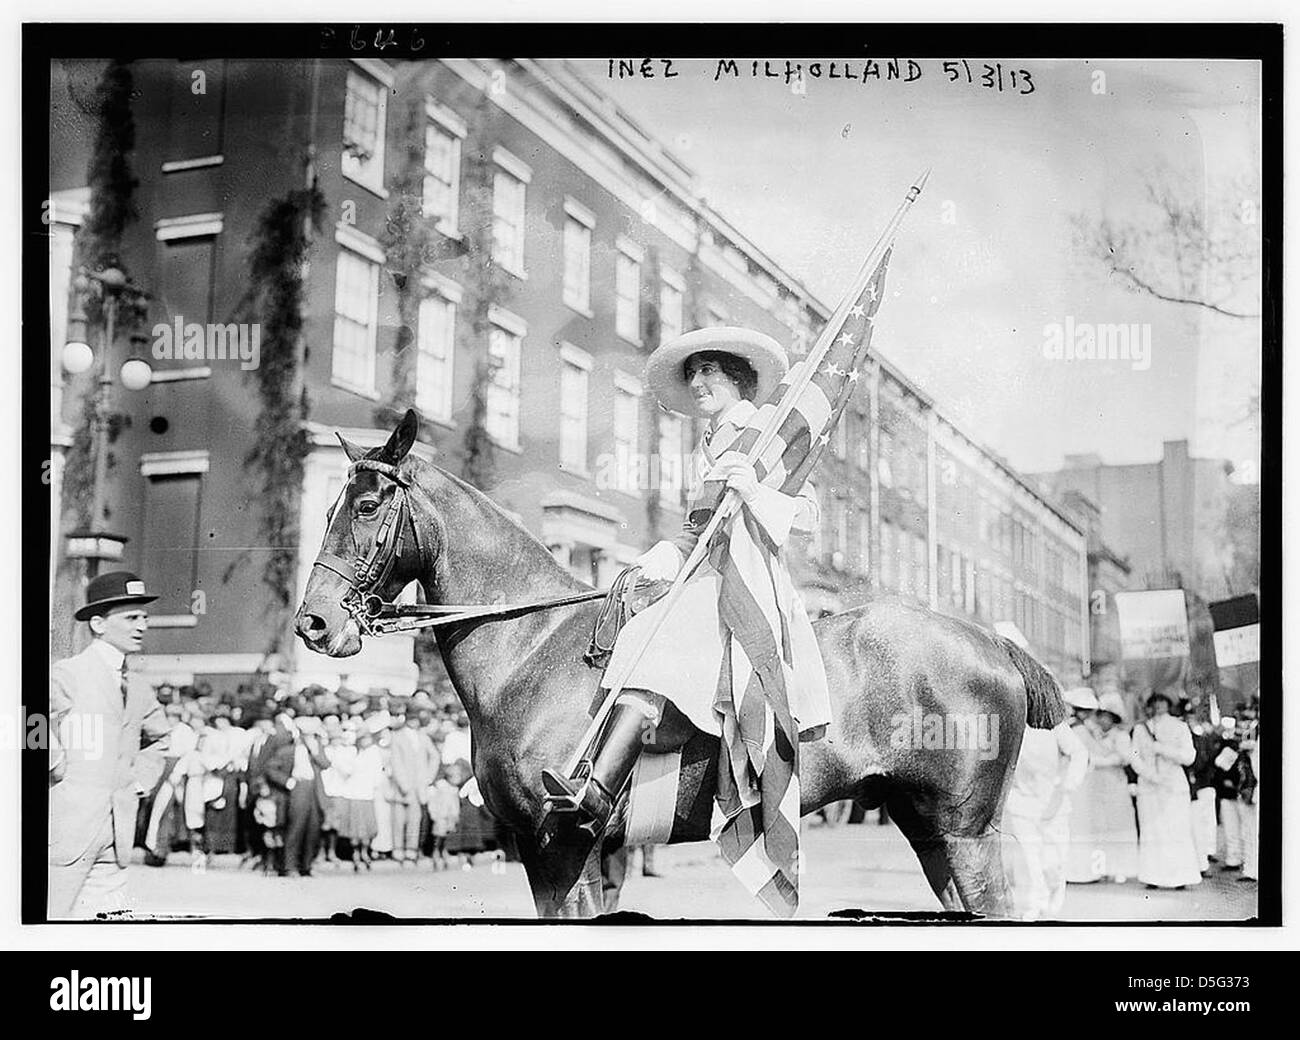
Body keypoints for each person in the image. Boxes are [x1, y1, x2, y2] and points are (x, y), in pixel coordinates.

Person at [540, 327, 832, 839]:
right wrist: (664, 552)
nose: (698, 382)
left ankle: (602, 790)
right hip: (708, 577)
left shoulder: (765, 429)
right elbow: (700, 531)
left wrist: (755, 492)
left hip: (751, 582)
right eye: (692, 373)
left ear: (737, 378)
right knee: (631, 620)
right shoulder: (709, 444)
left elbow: (808, 514)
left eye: (710, 371)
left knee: (652, 639)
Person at [48, 571, 174, 919]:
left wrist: (138, 782)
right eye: (131, 617)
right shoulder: (66, 673)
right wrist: (56, 766)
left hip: (118, 832)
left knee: (106, 930)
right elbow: (26, 724)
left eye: (145, 618)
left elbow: (160, 739)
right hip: (66, 831)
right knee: (51, 923)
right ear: (99, 624)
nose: (142, 626)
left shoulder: (138, 686)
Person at [1003, 719, 1089, 920]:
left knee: (1053, 862)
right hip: (1021, 801)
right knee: (1028, 857)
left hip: (1054, 801)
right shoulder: (1009, 722)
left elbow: (1079, 752)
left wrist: (1069, 782)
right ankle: (1032, 905)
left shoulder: (1055, 725)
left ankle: (1052, 899)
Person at [1131, 691, 1201, 889]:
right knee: (1151, 831)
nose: (1159, 705)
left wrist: (1163, 749)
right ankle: (1152, 876)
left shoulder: (1180, 727)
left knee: (1176, 831)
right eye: (1155, 702)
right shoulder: (1140, 729)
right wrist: (1150, 775)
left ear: (1169, 704)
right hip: (1149, 787)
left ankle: (1179, 877)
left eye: (1163, 701)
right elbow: (1134, 757)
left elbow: (1189, 756)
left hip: (1173, 786)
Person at [1066, 692, 1138, 883]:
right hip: (1097, 785)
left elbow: (1125, 758)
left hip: (1116, 785)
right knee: (1101, 828)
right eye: (1101, 715)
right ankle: (1103, 867)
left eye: (1107, 716)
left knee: (1118, 826)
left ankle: (1122, 868)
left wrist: (1099, 761)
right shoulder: (1093, 733)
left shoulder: (1121, 736)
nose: (1102, 719)